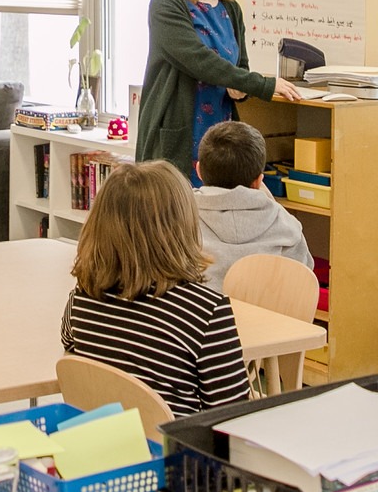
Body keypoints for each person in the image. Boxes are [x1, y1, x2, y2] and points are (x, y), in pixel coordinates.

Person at [60, 160, 248, 419]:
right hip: (176, 455)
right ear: (183, 227)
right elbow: (235, 417)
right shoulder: (207, 313)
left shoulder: (83, 296)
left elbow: (69, 343)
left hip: (102, 448)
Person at [137, 0, 299, 180]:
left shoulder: (230, 9)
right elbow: (198, 60)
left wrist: (240, 91)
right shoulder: (166, 4)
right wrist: (262, 85)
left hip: (219, 133)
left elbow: (238, 67)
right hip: (180, 132)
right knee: (175, 213)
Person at [194, 121, 312, 291]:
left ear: (199, 171)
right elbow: (304, 277)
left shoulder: (178, 215)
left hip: (198, 315)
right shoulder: (286, 225)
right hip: (265, 315)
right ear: (258, 181)